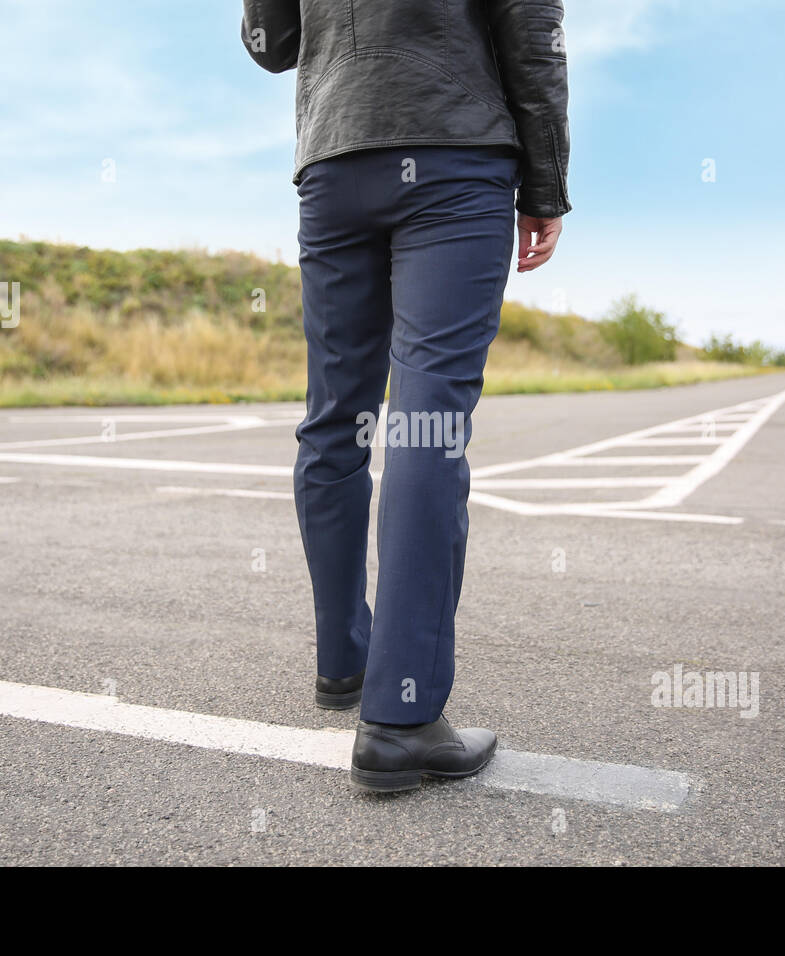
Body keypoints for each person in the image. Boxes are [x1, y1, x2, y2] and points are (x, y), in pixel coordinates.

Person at [240, 0, 570, 792]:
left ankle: (345, 665)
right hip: (452, 148)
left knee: (335, 421)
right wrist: (547, 184)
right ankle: (401, 719)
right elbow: (531, 32)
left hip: (335, 156)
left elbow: (273, 43)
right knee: (425, 425)